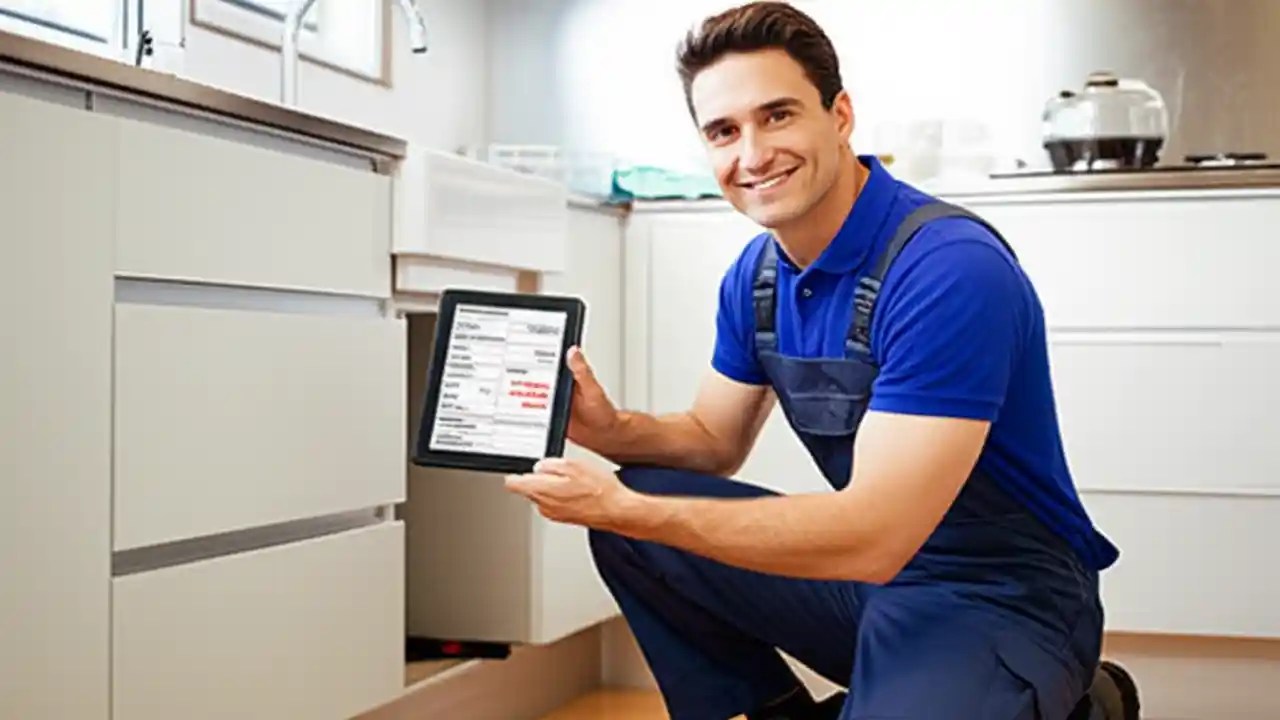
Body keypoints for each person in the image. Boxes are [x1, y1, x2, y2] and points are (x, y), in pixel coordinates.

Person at [504, 2, 1128, 718]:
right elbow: (711, 441)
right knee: (636, 515)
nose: (753, 154)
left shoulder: (949, 269)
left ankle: (1080, 703)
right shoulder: (757, 276)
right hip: (878, 584)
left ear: (839, 115)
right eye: (723, 131)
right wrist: (607, 429)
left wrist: (632, 507)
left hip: (1001, 597)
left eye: (777, 115)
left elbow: (874, 536)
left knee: (639, 509)